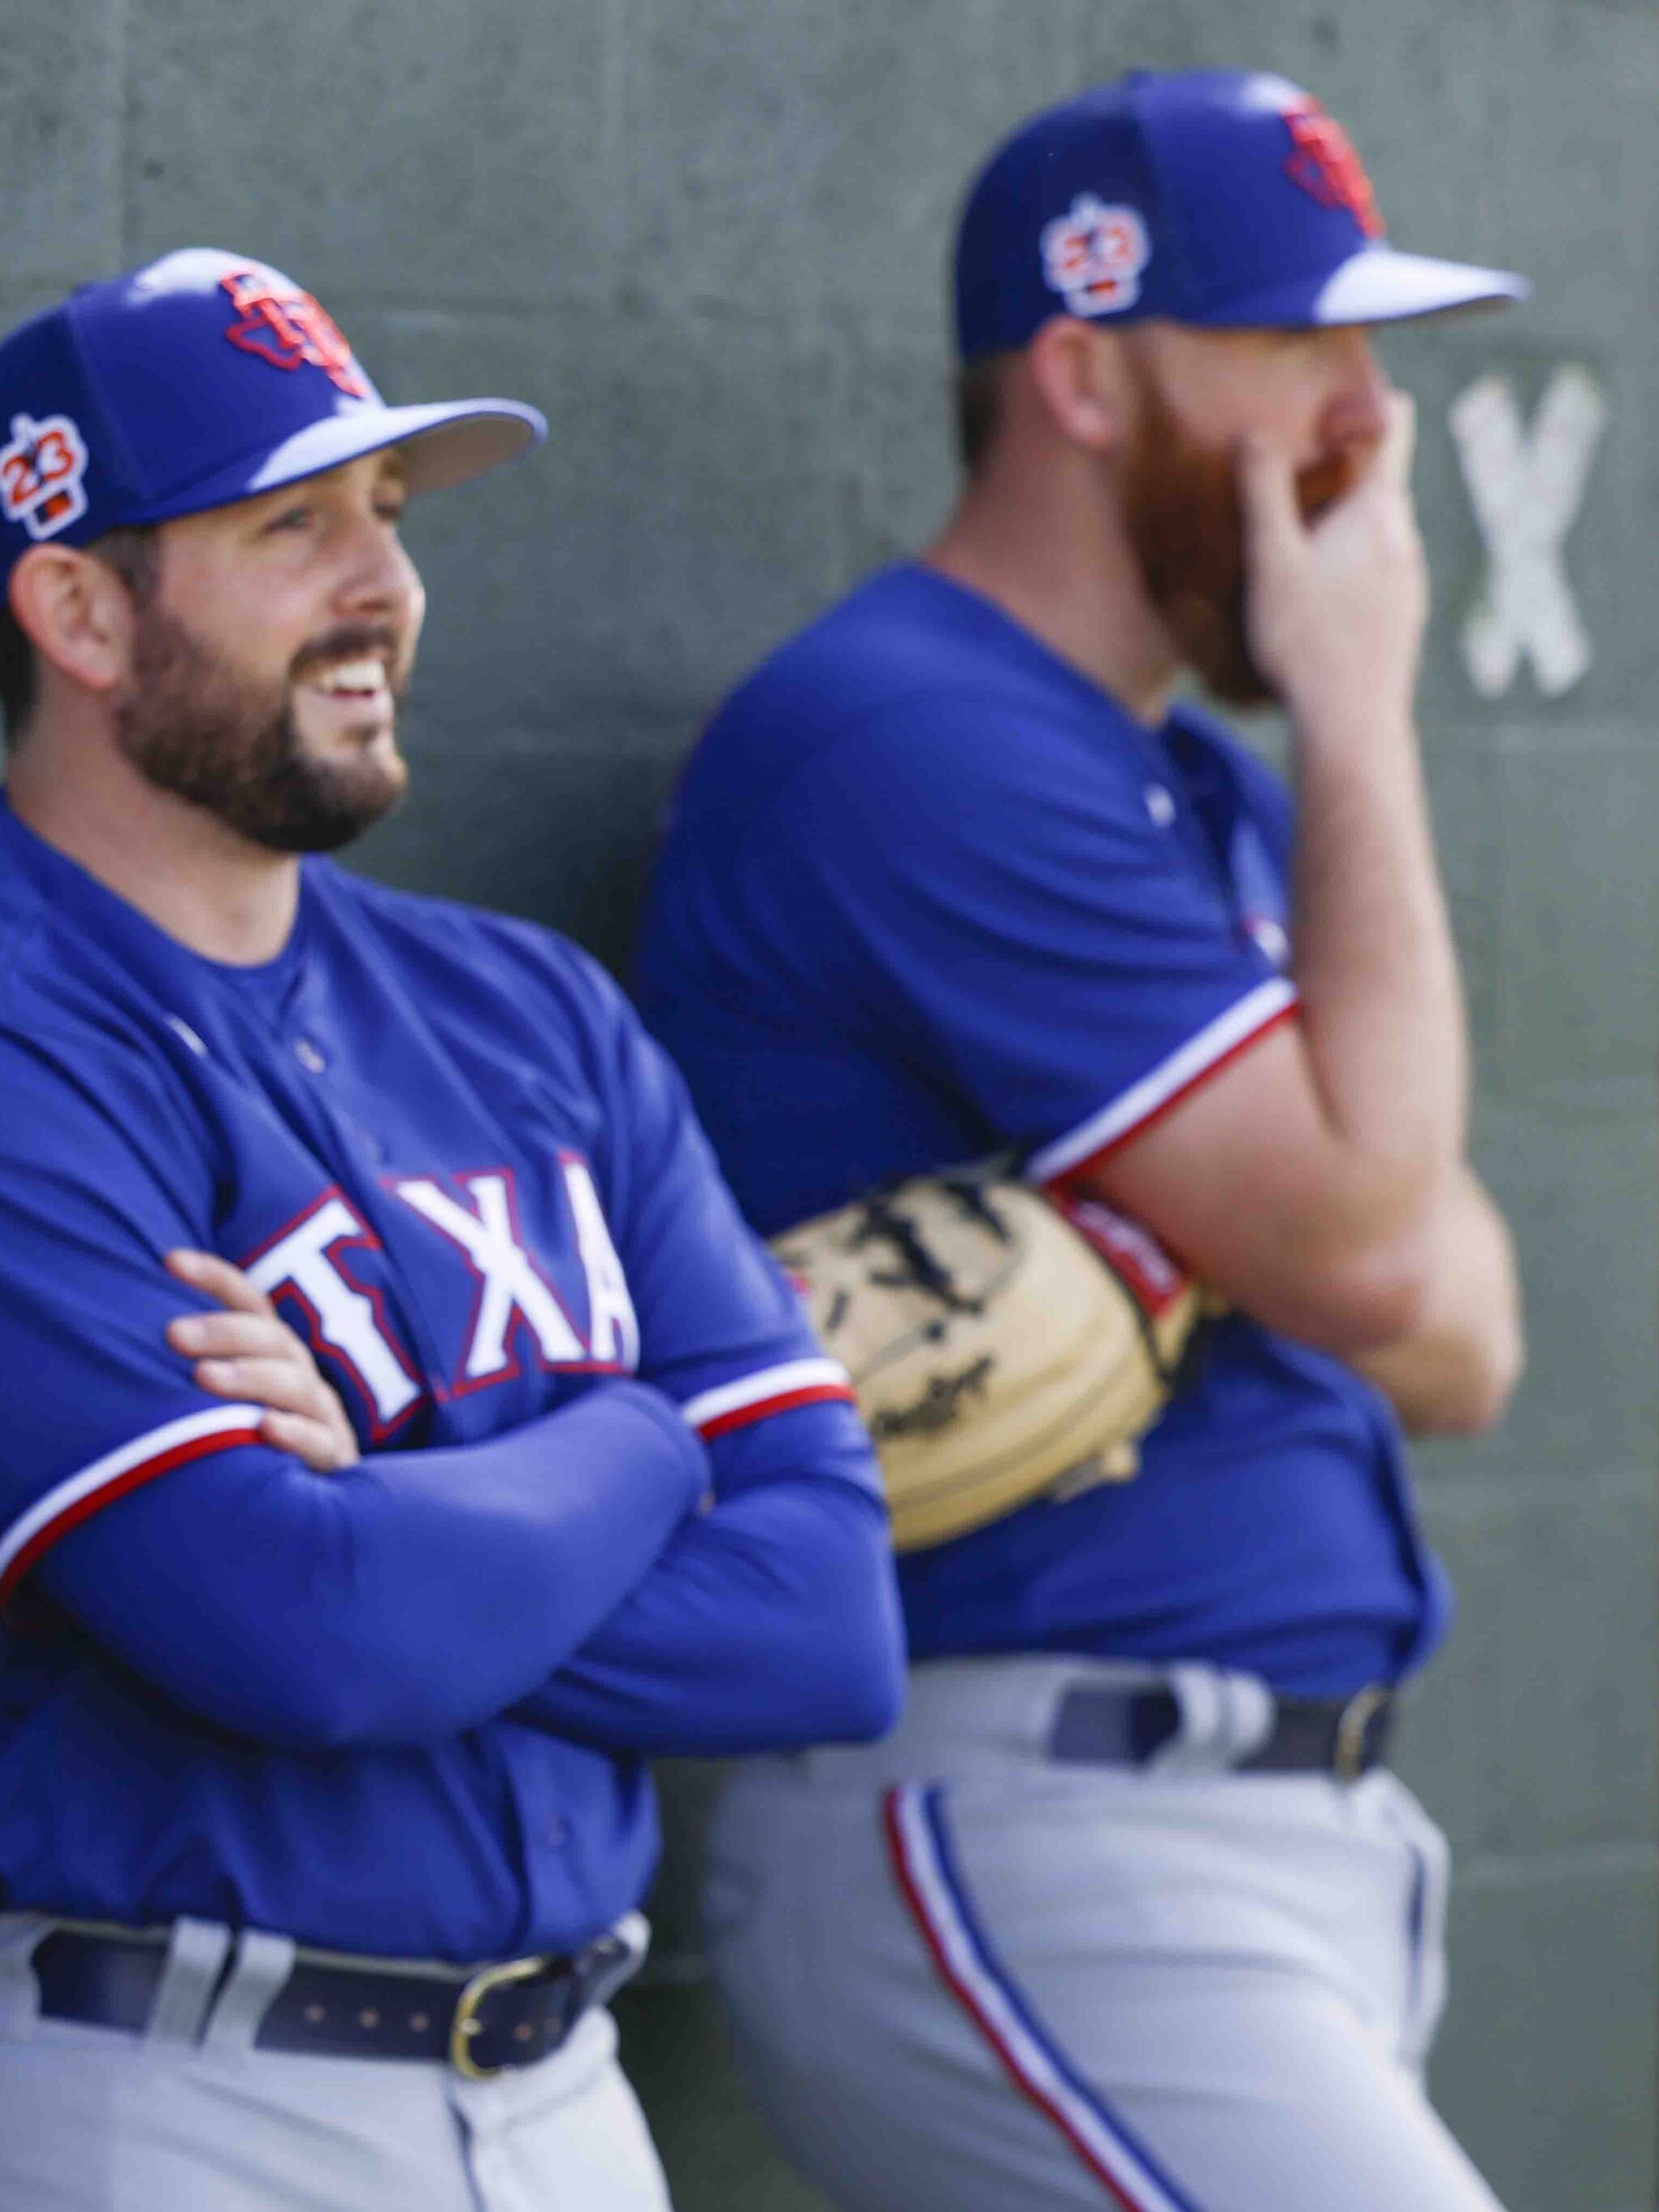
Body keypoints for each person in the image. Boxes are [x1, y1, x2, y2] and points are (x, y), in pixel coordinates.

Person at [0, 249, 903, 2211]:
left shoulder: (533, 1014)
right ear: (79, 606)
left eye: (389, 518)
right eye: (292, 527)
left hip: (558, 2090)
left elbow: (828, 1622)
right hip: (135, 2089)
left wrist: (397, 1502)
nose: (383, 588)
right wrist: (636, 1436)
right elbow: (299, 1631)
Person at [633, 71, 1529, 2212]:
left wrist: (1283, 1210)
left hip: (1265, 1844)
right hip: (1041, 1814)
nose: (1362, 419)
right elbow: (1381, 1253)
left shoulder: (1193, 789)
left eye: (1372, 350)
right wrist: (1365, 706)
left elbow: (1473, 1330)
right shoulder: (915, 732)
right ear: (1082, 371)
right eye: (1299, 346)